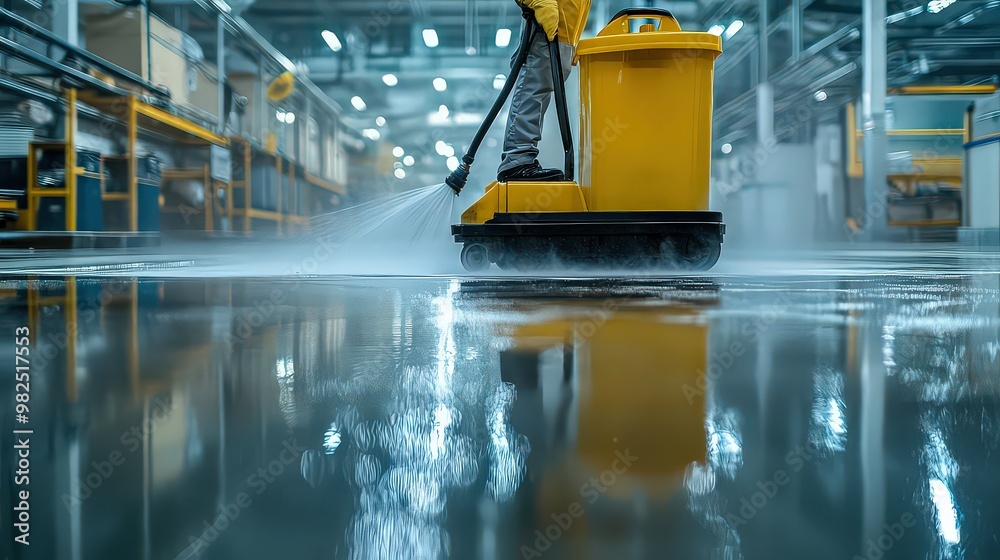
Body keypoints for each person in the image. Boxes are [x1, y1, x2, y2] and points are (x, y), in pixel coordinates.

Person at [497, 0, 591, 182]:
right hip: (548, 23)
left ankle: (521, 157)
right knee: (533, 87)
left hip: (564, 29)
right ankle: (517, 160)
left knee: (539, 89)